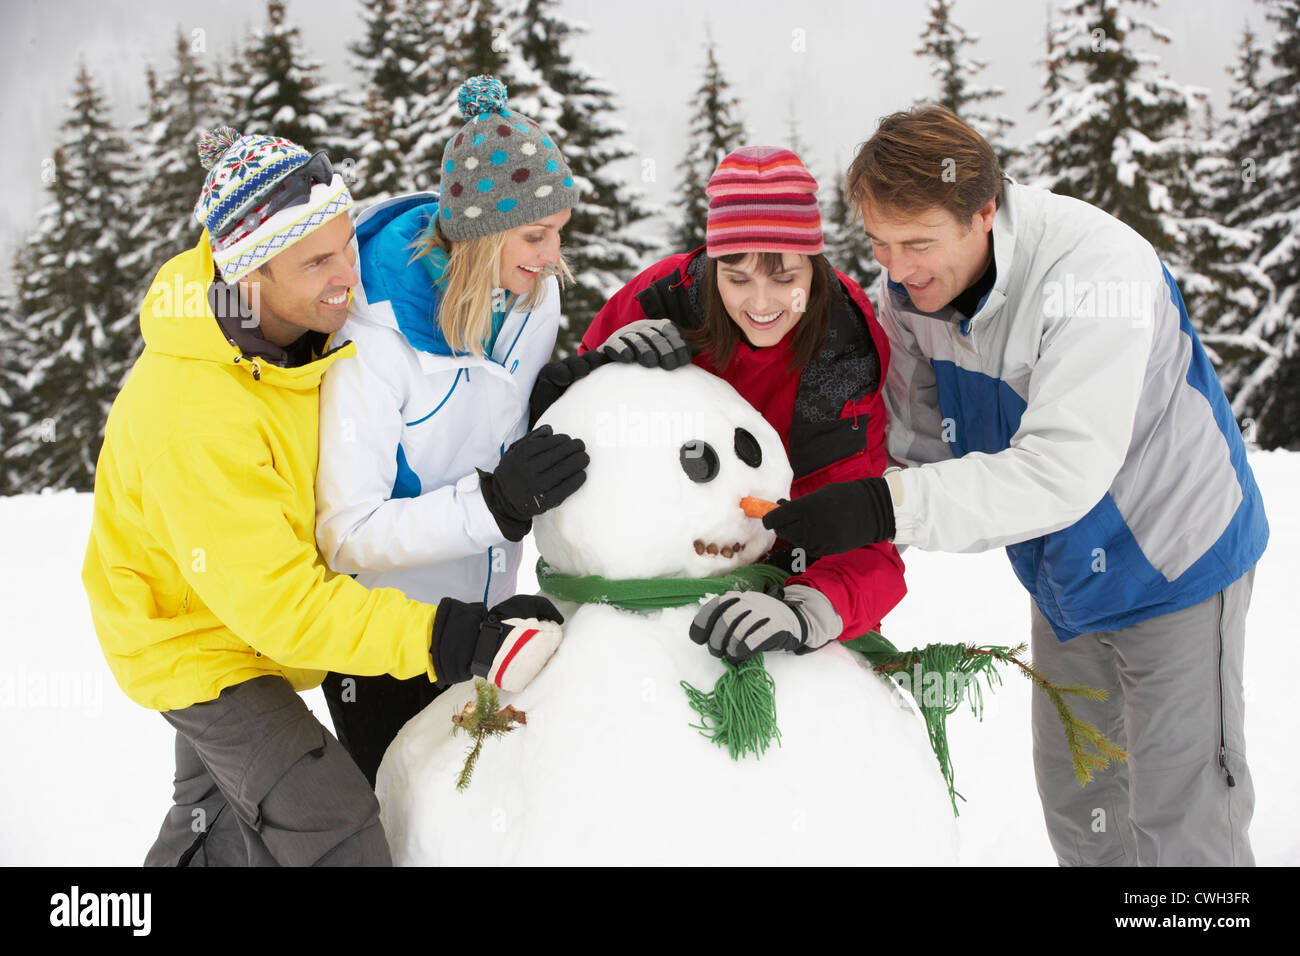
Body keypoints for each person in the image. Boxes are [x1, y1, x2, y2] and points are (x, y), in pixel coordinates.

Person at [763, 106, 1269, 866]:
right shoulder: (910, 295)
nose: (897, 269)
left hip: (1175, 557)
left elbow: (1060, 470)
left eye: (919, 243)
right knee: (1081, 799)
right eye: (879, 243)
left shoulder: (1096, 274)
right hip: (1064, 574)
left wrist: (879, 508)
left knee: (1183, 810)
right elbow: (916, 446)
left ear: (984, 210)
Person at [81, 124, 564, 867]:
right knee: (337, 826)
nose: (350, 273)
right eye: (317, 262)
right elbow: (281, 606)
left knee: (214, 829)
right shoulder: (196, 417)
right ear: (250, 277)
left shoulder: (303, 322)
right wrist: (447, 637)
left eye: (346, 244)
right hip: (199, 640)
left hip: (248, 612)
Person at [313, 76, 594, 786]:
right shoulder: (371, 338)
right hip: (389, 645)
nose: (553, 256)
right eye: (535, 235)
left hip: (492, 619)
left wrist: (579, 384)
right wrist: (493, 504)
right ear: (481, 233)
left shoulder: (534, 296)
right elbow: (345, 533)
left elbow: (504, 413)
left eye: (558, 233)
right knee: (399, 826)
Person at [565, 145, 907, 661]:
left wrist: (806, 608)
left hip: (792, 587)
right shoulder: (659, 303)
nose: (762, 304)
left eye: (786, 279)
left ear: (814, 268)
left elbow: (863, 533)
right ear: (712, 267)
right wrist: (602, 369)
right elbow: (571, 425)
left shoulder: (845, 351)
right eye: (738, 279)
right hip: (655, 576)